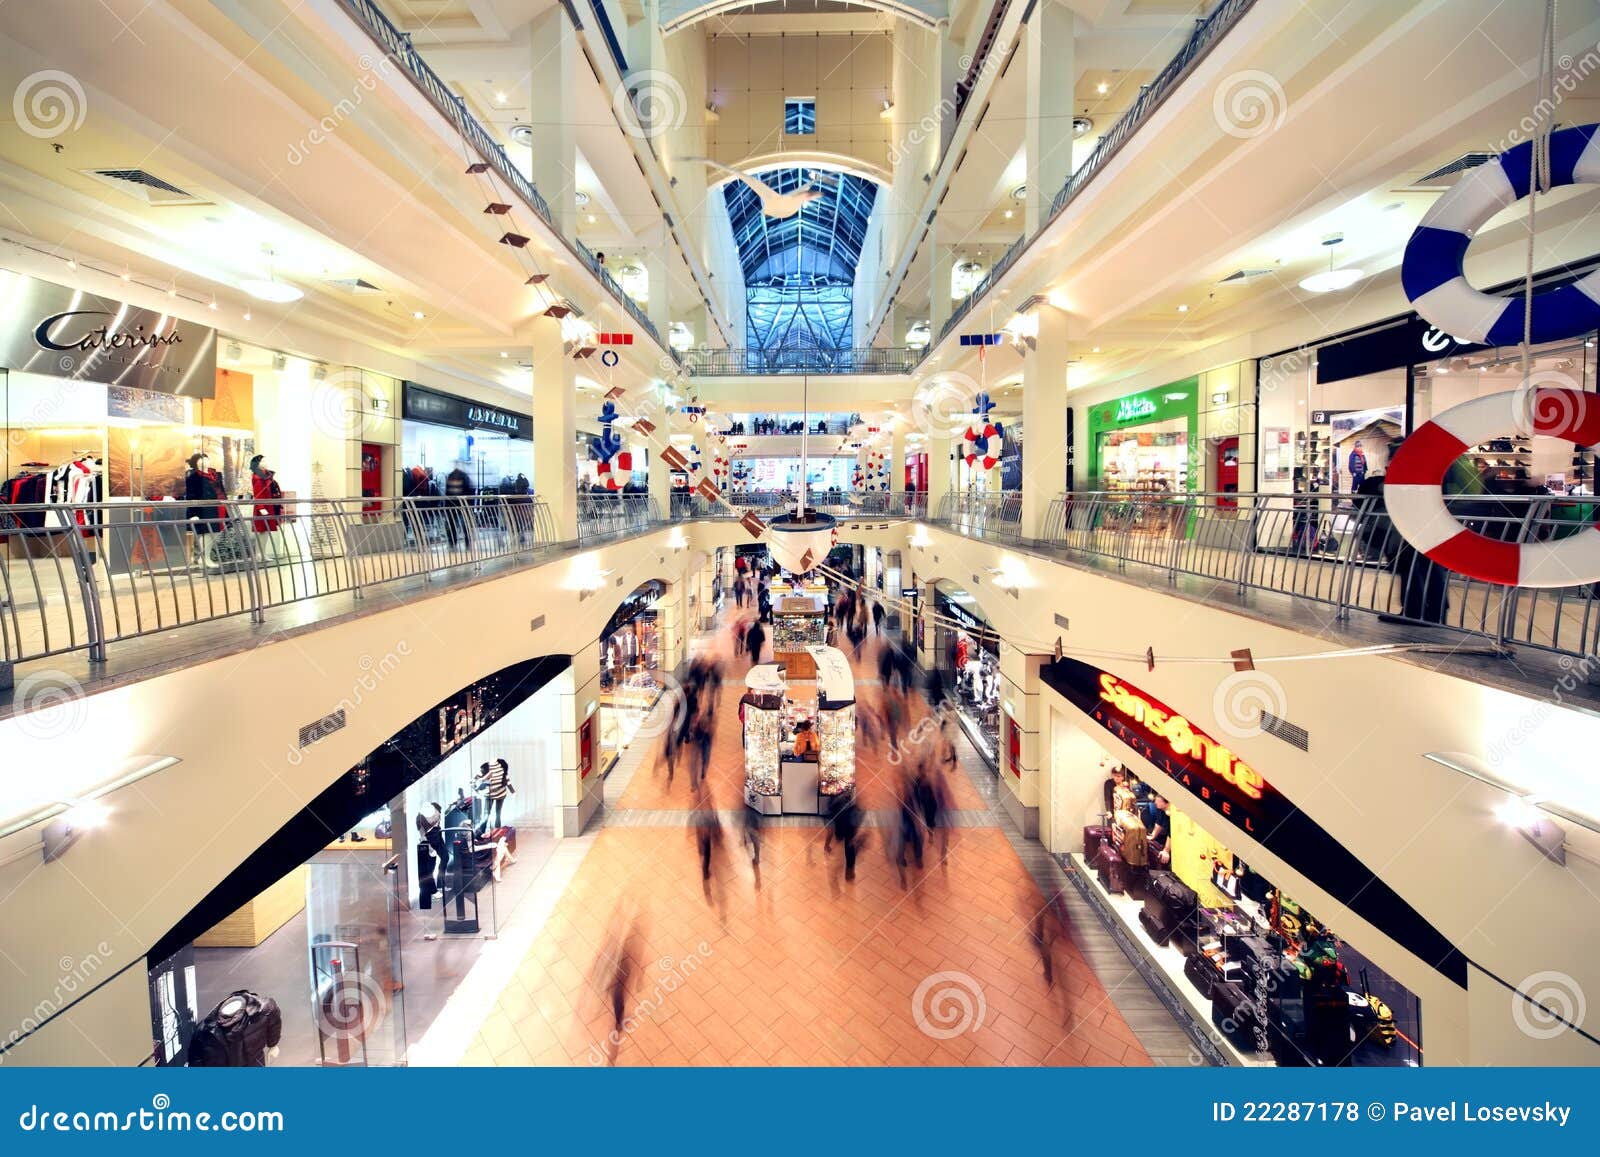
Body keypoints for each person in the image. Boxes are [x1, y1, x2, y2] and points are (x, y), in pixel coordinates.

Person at [825, 794, 864, 886]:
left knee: (840, 855)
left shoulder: (835, 809)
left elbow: (831, 829)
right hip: (849, 832)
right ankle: (849, 873)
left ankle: (837, 876)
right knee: (850, 852)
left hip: (841, 832)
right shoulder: (855, 810)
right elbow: (856, 823)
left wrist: (827, 844)